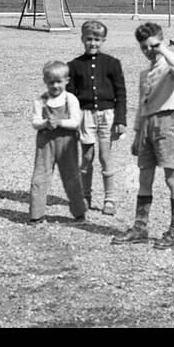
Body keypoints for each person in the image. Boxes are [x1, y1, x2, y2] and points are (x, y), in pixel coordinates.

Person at [113, 23, 174, 250]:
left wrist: (163, 49)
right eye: (145, 47)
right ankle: (140, 227)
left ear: (161, 42)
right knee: (144, 178)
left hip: (167, 123)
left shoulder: (170, 68)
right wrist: (137, 135)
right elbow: (141, 105)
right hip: (147, 125)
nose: (149, 51)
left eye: (153, 45)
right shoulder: (145, 74)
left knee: (171, 177)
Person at [67, 21, 127, 216]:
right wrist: (72, 120)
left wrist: (120, 120)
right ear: (83, 39)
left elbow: (121, 93)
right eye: (89, 39)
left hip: (107, 116)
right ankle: (85, 197)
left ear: (103, 41)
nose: (93, 43)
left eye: (97, 39)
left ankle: (109, 199)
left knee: (105, 156)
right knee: (86, 157)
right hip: (85, 116)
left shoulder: (112, 63)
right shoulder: (74, 66)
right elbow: (70, 97)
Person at [29, 61, 87, 224]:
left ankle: (79, 213)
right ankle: (36, 214)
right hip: (46, 143)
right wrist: (45, 123)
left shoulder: (71, 99)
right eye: (50, 82)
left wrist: (60, 122)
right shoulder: (41, 100)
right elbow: (35, 121)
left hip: (66, 143)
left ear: (66, 80)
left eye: (58, 82)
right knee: (40, 176)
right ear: (45, 81)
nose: (55, 86)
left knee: (71, 177)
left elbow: (76, 122)